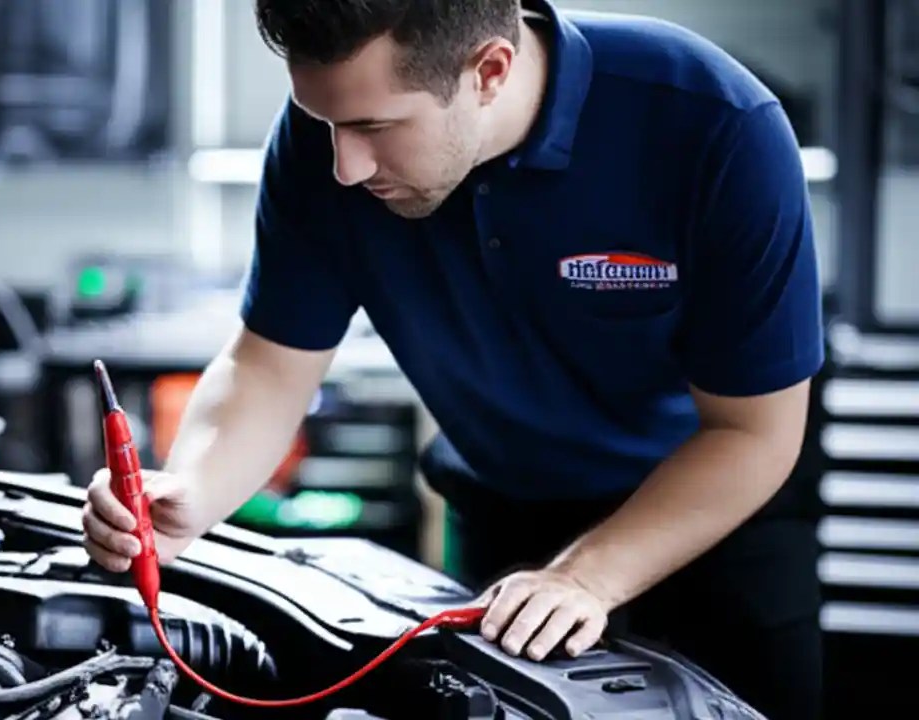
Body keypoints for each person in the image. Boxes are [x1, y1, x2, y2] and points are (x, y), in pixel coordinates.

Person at [82, 1, 826, 717]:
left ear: (490, 70)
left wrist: (586, 577)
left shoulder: (715, 126)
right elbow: (269, 365)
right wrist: (194, 492)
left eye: (374, 126)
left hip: (714, 525)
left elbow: (752, 432)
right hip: (505, 523)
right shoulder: (326, 139)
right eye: (326, 124)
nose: (343, 165)